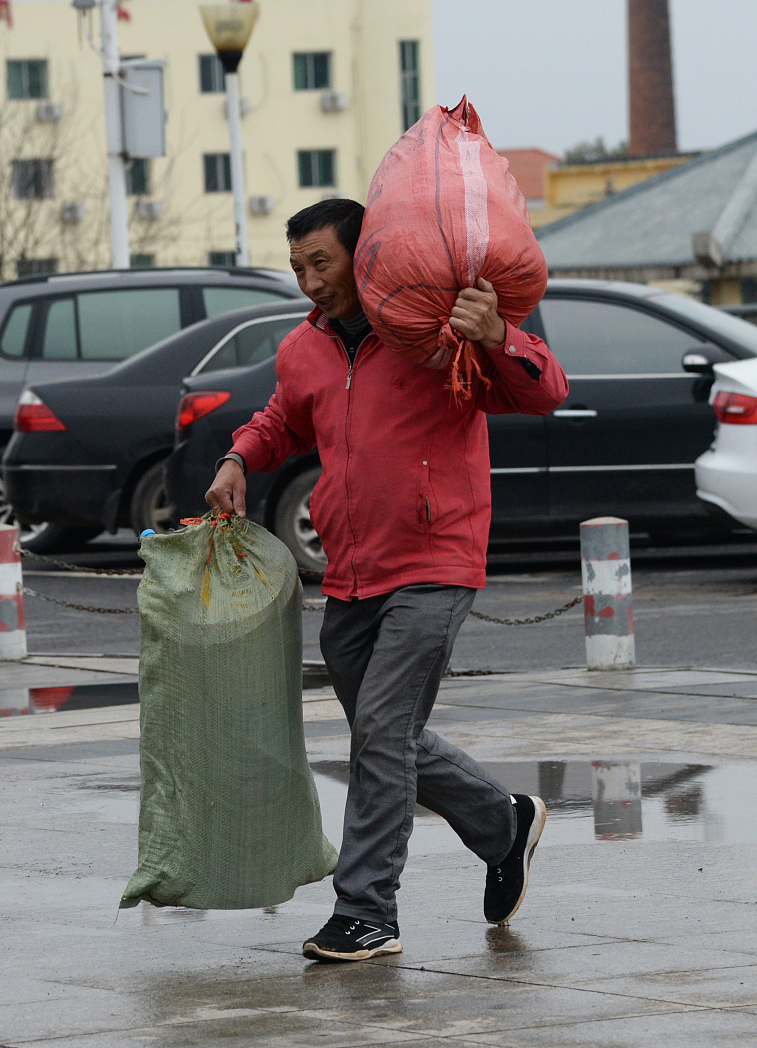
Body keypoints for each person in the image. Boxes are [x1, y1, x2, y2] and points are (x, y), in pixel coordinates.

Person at [205, 199, 569, 963]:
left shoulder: (432, 333)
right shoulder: (303, 349)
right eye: (298, 265)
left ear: (363, 256)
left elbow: (544, 390)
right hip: (351, 573)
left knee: (380, 733)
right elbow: (282, 418)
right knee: (388, 735)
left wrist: (498, 333)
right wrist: (238, 455)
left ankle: (368, 911)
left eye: (321, 264)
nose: (308, 281)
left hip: (436, 562)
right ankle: (504, 825)